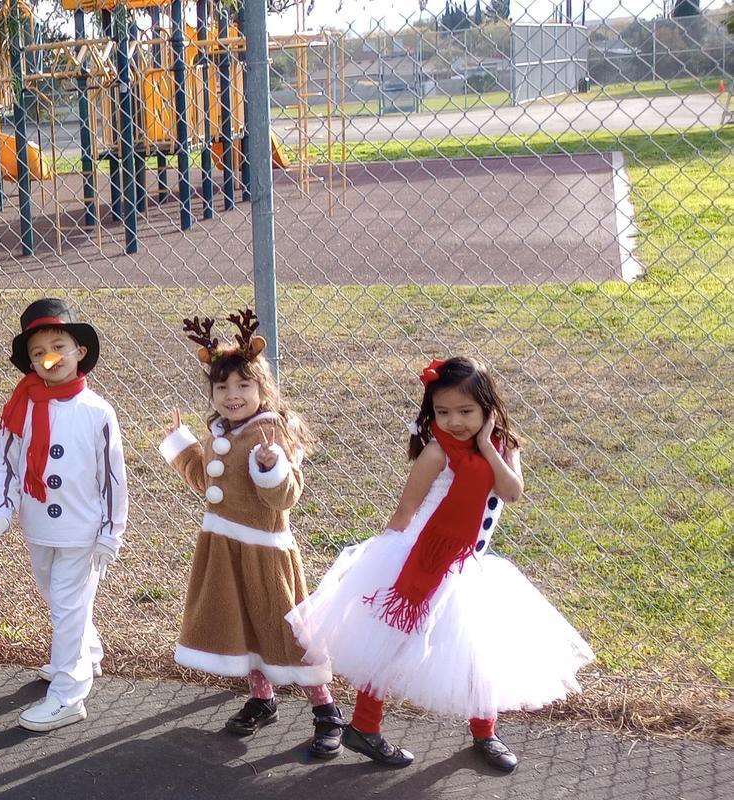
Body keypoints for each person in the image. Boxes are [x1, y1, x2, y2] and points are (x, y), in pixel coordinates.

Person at [287, 357, 594, 773]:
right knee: (389, 641)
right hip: (421, 557)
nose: (454, 421)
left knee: (478, 649)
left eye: (466, 411)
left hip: (469, 566)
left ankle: (486, 731)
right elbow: (406, 509)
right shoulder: (435, 452)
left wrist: (486, 446)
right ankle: (363, 727)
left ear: (489, 408)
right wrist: (385, 559)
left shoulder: (504, 446)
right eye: (443, 412)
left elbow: (512, 490)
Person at [159, 310, 340, 758]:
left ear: (262, 388)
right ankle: (262, 697)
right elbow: (207, 482)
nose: (232, 395)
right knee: (239, 622)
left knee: (286, 630)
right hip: (222, 547)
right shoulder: (220, 430)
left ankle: (326, 710)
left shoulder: (274, 431)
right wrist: (181, 445)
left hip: (265, 552)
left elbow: (286, 497)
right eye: (222, 387)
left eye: (243, 385)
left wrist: (268, 467)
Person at [0, 298, 128, 733]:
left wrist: (110, 533)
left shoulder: (97, 411)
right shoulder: (20, 406)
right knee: (60, 600)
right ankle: (87, 653)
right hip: (38, 526)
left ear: (79, 350)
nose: (49, 358)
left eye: (58, 346)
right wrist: (2, 513)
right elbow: (5, 461)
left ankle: (67, 694)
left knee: (67, 606)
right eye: (38, 352)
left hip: (82, 530)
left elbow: (113, 477)